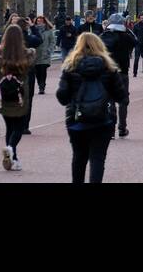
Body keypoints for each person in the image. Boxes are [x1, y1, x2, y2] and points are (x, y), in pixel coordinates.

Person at [56, 32, 128, 183]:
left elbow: (62, 96)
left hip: (76, 119)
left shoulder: (70, 67)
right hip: (103, 119)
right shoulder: (109, 67)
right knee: (98, 158)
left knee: (78, 157)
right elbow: (121, 96)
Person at [0, 23, 36, 172]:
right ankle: (11, 149)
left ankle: (13, 158)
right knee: (19, 127)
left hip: (3, 96)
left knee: (9, 127)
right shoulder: (26, 55)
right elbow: (30, 70)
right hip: (20, 96)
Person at [100, 13, 137, 136]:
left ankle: (111, 129)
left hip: (107, 71)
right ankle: (122, 127)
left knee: (109, 100)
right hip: (122, 72)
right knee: (123, 100)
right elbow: (136, 41)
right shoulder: (126, 36)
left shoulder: (103, 36)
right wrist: (127, 29)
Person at [32, 15, 55, 94]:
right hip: (35, 54)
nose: (40, 22)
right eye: (38, 21)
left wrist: (49, 50)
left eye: (41, 21)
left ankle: (42, 87)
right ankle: (39, 84)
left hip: (45, 54)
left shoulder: (48, 31)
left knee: (43, 70)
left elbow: (52, 41)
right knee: (37, 72)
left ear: (44, 21)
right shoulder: (32, 30)